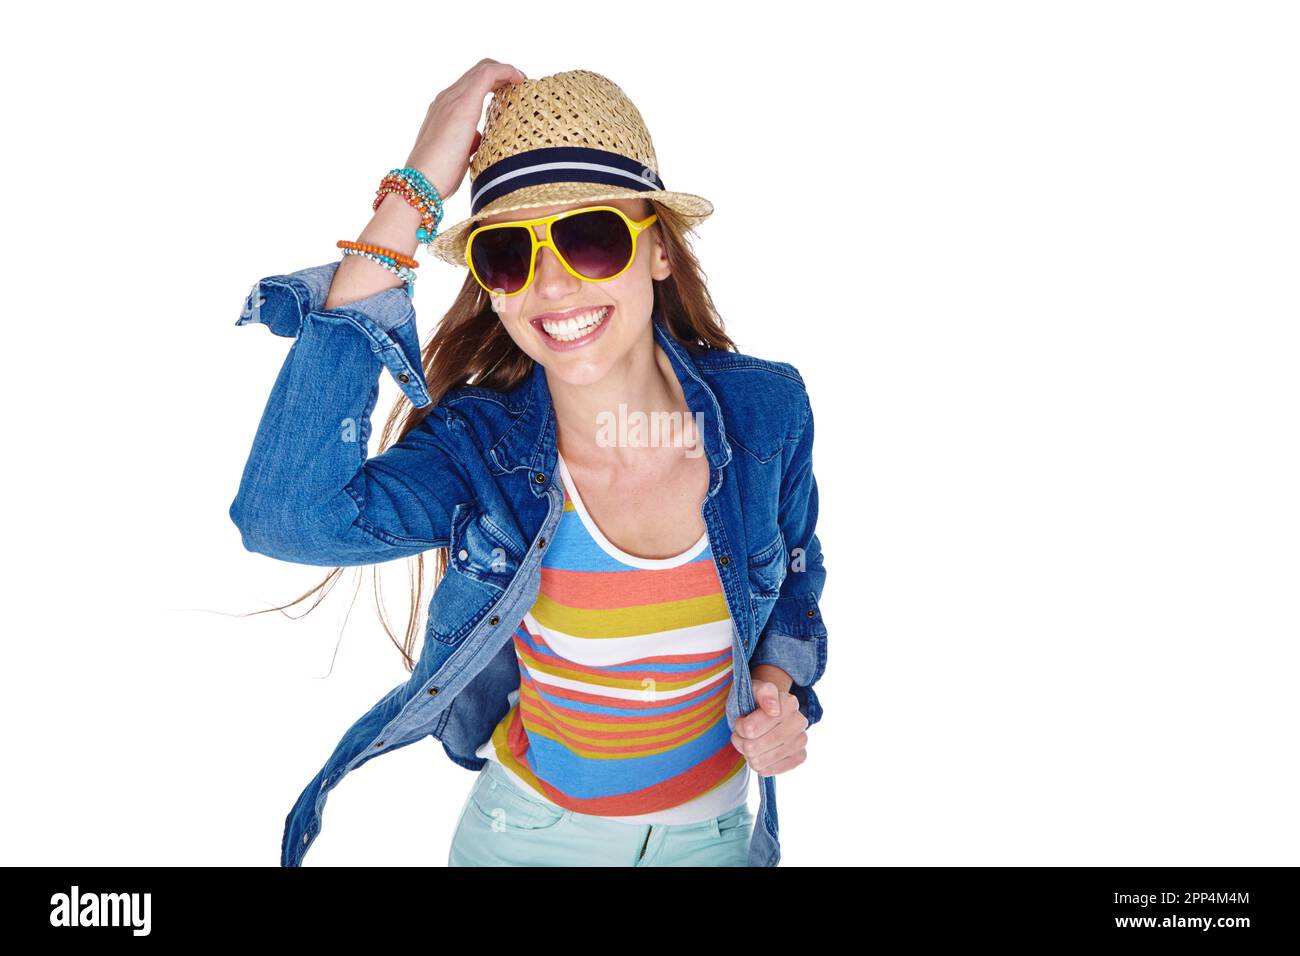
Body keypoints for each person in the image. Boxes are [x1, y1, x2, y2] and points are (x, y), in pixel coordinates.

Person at [229, 60, 828, 867]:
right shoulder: (481, 450)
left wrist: (779, 695)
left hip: (710, 841)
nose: (551, 284)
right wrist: (412, 190)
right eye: (508, 254)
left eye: (590, 237)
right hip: (524, 839)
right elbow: (287, 518)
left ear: (658, 250)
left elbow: (794, 579)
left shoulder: (767, 414)